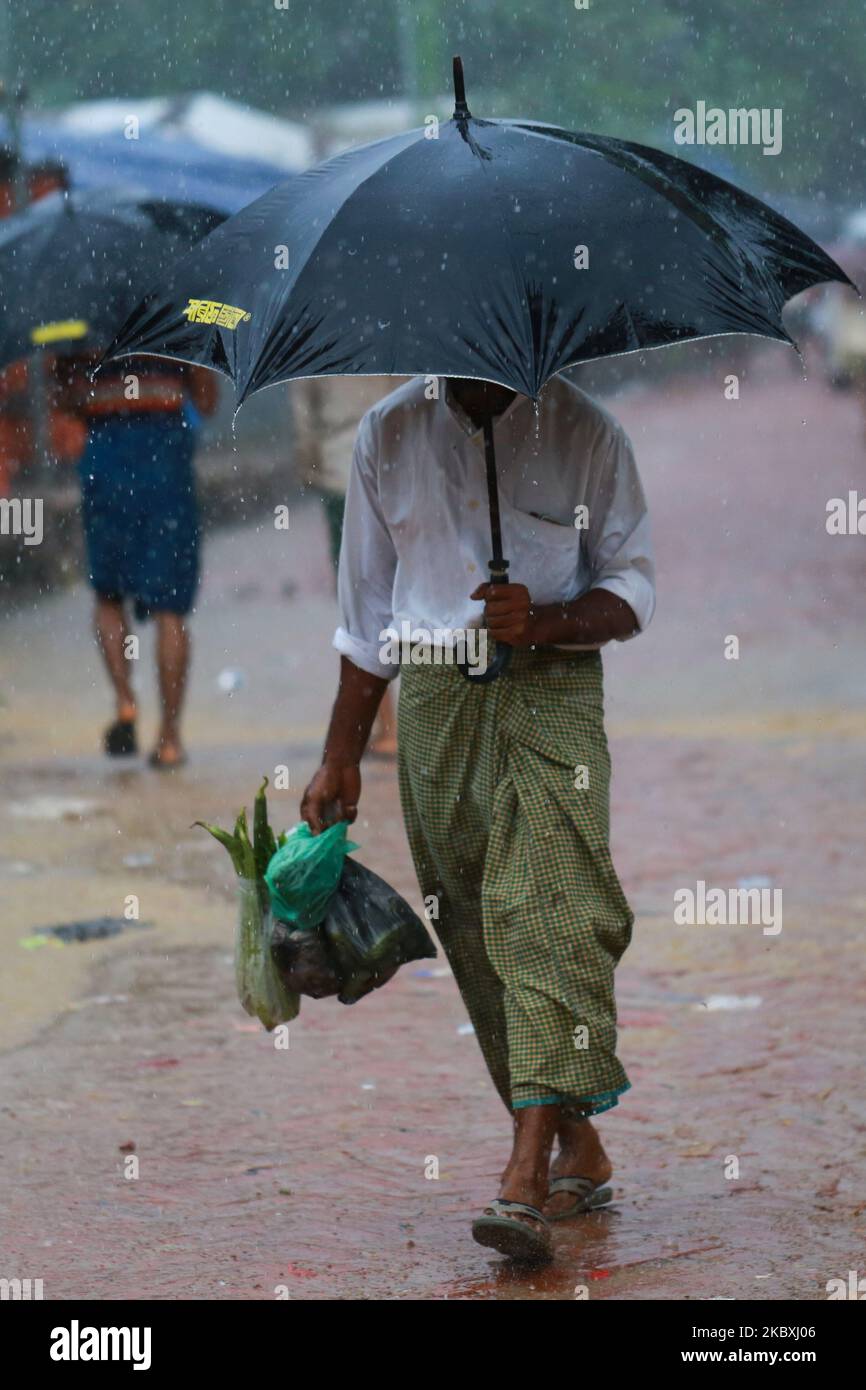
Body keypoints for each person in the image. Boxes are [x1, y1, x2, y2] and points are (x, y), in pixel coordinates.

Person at [301, 372, 655, 1263]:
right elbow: (367, 617)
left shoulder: (589, 430)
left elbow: (634, 586)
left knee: (544, 911)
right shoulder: (386, 434)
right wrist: (340, 754)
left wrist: (545, 620)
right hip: (433, 702)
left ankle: (526, 1172)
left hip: (555, 688)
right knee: (471, 924)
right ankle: (578, 1138)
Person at [60, 355, 218, 768]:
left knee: (108, 593)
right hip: (165, 462)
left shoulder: (79, 306)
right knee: (170, 608)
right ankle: (169, 738)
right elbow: (206, 400)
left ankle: (126, 703)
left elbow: (66, 394)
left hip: (105, 458)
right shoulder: (183, 306)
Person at [291, 374, 400, 756]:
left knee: (361, 600)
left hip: (343, 472)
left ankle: (387, 726)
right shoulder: (404, 326)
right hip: (397, 470)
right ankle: (413, 721)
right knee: (411, 595)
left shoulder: (316, 337)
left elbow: (305, 417)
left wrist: (310, 467)